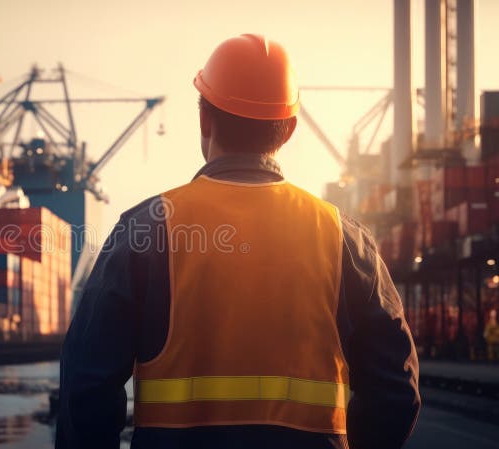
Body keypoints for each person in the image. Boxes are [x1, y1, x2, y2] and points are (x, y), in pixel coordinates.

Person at [56, 34, 420, 449]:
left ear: (204, 120)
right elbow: (396, 390)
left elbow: (85, 389)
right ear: (289, 130)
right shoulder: (345, 239)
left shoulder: (145, 229)